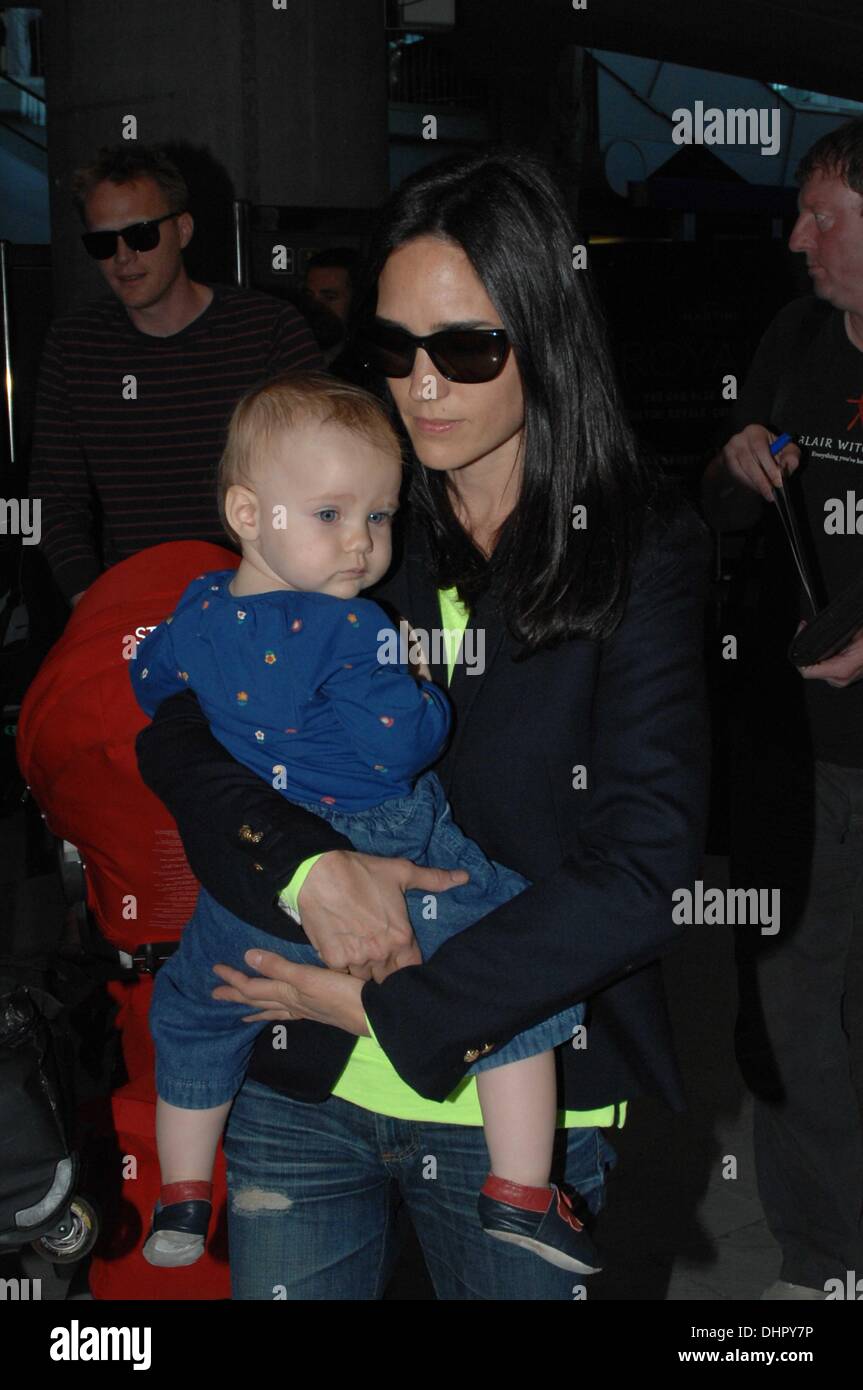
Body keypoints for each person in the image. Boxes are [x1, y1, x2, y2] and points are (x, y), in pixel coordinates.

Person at [136, 147, 710, 1301]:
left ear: (545, 334)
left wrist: (391, 1006)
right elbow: (180, 735)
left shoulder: (636, 548)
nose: (422, 386)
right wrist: (306, 870)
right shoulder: (348, 508)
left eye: (466, 348)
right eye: (394, 348)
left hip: (513, 1095)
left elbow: (645, 865)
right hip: (296, 1080)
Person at [131, 370, 596, 1275]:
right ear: (246, 512)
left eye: (379, 517)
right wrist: (417, 684)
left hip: (253, 878)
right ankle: (521, 1189)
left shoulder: (197, 610)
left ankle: (182, 1195)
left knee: (191, 1009)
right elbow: (399, 747)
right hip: (385, 837)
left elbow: (154, 687)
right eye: (331, 515)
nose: (361, 543)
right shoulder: (351, 629)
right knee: (513, 982)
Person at [702, 117, 863, 1300]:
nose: (797, 239)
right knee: (791, 1007)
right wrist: (736, 463)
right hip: (799, 754)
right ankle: (822, 1259)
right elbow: (717, 508)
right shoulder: (794, 338)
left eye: (822, 217)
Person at [28, 143, 321, 608]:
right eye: (103, 243)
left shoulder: (268, 328)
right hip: (133, 602)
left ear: (182, 229)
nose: (123, 257)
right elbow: (53, 494)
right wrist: (89, 595)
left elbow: (319, 471)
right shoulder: (74, 345)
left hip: (263, 597)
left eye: (141, 235)